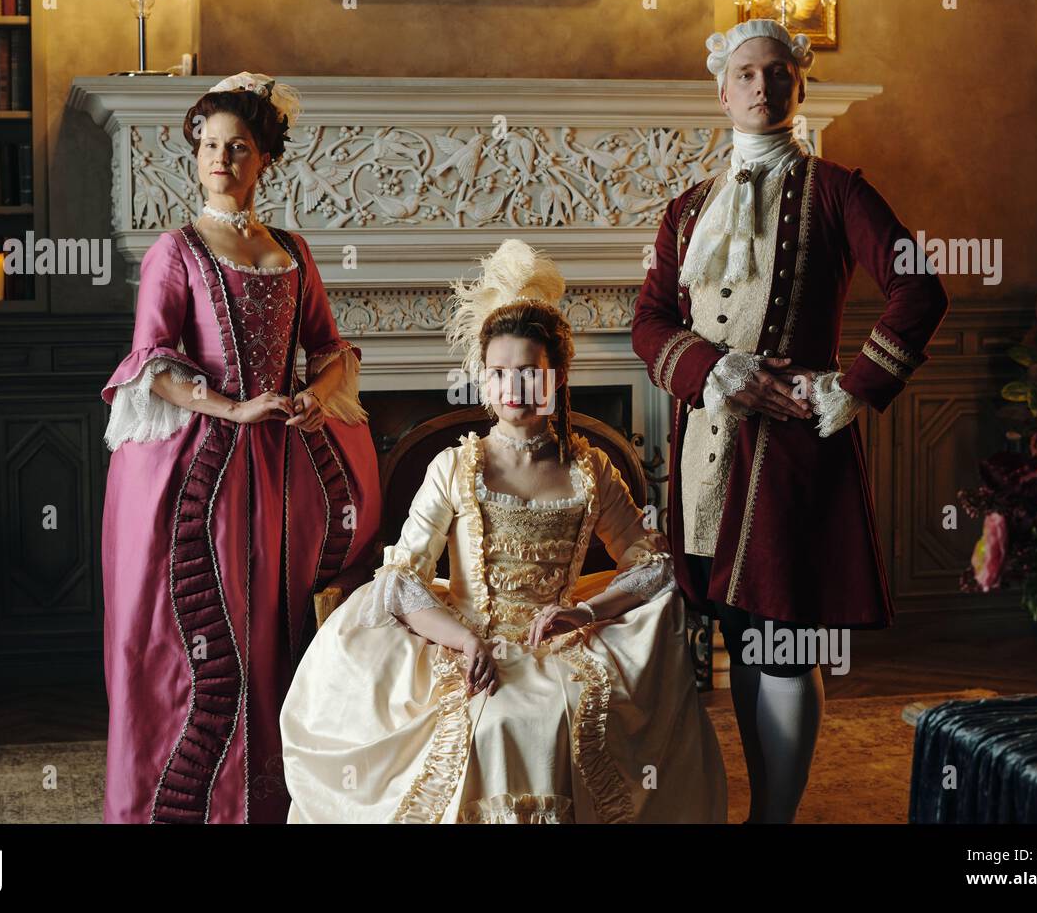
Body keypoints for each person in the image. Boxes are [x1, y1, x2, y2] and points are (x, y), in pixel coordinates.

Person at [280, 239, 726, 823]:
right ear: (483, 381)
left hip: (559, 643)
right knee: (487, 714)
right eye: (497, 373)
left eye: (528, 373)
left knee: (558, 710)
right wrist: (464, 641)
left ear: (557, 377)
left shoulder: (590, 469)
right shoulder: (456, 466)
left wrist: (585, 615)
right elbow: (401, 577)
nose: (512, 387)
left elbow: (650, 565)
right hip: (466, 637)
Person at [631, 20, 950, 823]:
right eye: (745, 74)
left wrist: (854, 386)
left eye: (777, 74)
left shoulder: (839, 190)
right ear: (722, 90)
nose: (762, 88)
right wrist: (716, 369)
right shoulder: (684, 211)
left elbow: (920, 287)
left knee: (787, 637)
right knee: (743, 631)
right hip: (709, 450)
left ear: (799, 87)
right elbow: (649, 321)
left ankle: (776, 815)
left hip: (795, 452)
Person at [99, 72, 381, 823]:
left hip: (284, 470)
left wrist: (314, 398)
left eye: (239, 148)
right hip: (206, 467)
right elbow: (151, 365)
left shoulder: (291, 249)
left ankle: (286, 802)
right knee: (210, 637)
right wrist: (234, 406)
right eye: (211, 146)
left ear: (264, 161)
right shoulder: (175, 250)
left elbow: (329, 347)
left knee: (282, 628)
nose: (221, 158)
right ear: (196, 156)